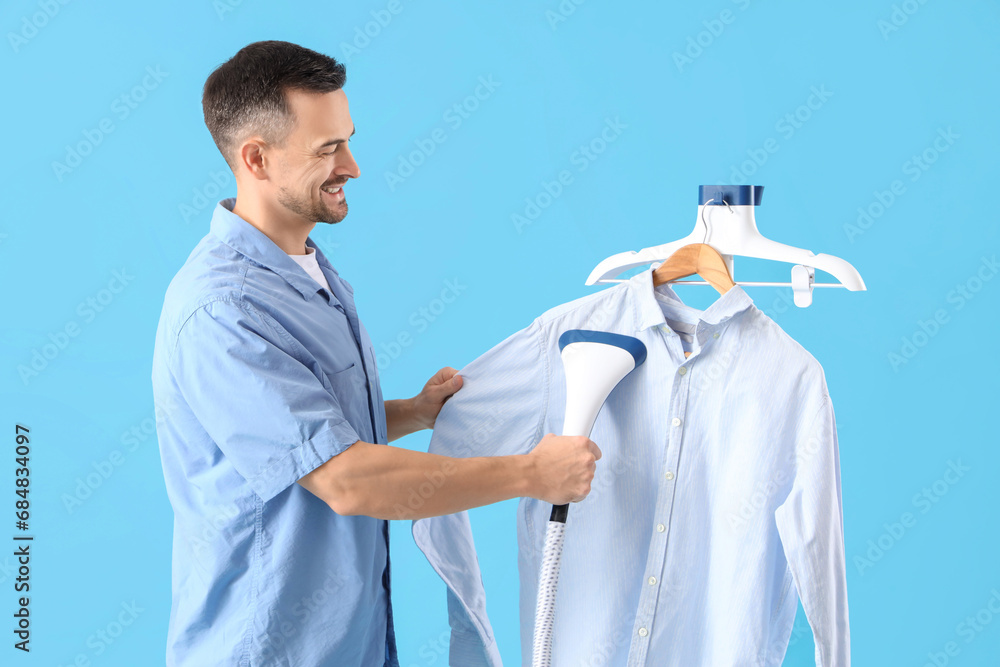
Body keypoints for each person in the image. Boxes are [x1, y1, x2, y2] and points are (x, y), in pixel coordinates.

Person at [150, 40, 601, 667]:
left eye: (348, 140)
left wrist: (414, 412)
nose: (353, 166)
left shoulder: (309, 272)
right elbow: (345, 478)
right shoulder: (224, 312)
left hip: (350, 643)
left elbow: (303, 432)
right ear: (256, 158)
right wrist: (532, 474)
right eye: (328, 148)